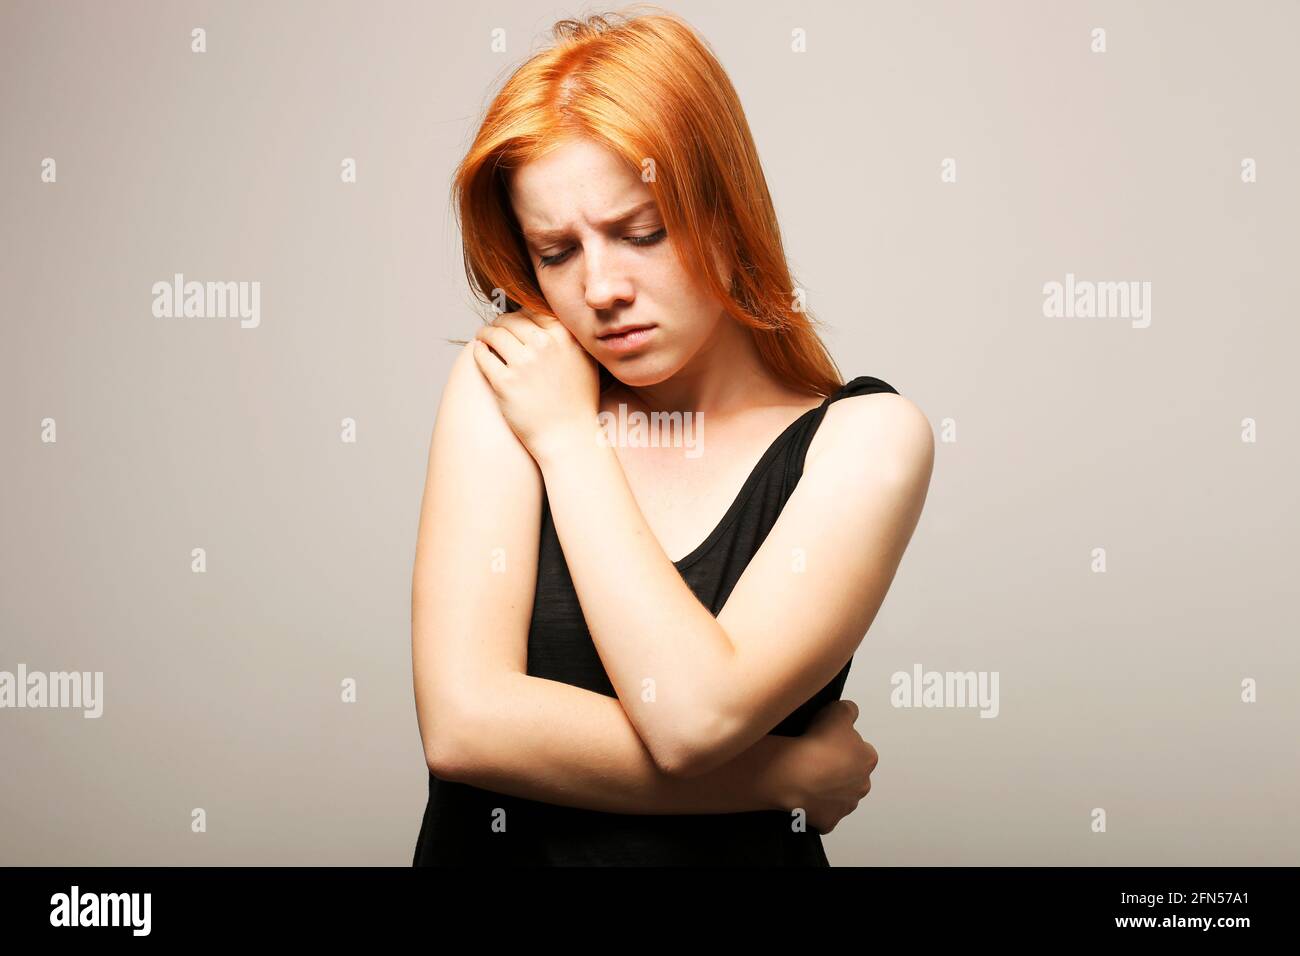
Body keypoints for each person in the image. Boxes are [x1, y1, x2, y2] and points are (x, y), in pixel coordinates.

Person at [411, 8, 934, 865]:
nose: (602, 287)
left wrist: (571, 443)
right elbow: (466, 728)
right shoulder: (506, 379)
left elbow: (691, 717)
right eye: (556, 251)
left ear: (727, 214)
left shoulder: (868, 440)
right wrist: (779, 778)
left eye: (640, 233)